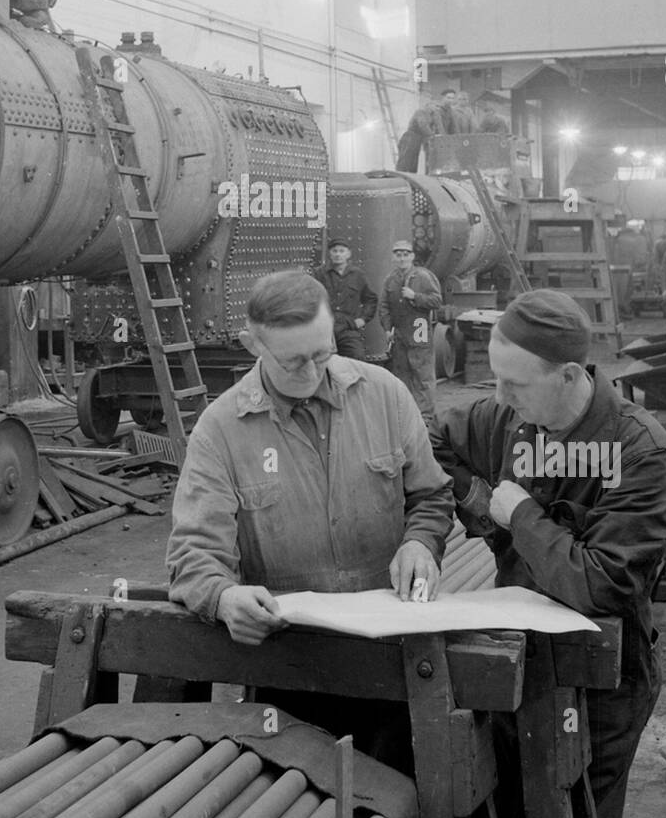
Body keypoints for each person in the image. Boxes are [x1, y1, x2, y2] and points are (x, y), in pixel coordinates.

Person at [166, 271, 453, 766]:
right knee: (293, 802)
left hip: (393, 658)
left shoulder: (385, 395)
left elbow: (431, 496)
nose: (312, 371)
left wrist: (421, 543)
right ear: (252, 343)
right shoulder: (220, 431)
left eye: (321, 354)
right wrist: (223, 596)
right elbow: (193, 553)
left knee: (397, 798)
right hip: (289, 670)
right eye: (293, 361)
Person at [431, 289, 666, 818]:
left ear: (568, 376)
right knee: (514, 811)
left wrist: (519, 514)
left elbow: (601, 584)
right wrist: (477, 502)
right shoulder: (505, 418)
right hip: (516, 661)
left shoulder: (639, 454)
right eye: (496, 379)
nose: (499, 395)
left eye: (515, 384)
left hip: (601, 682)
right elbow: (431, 439)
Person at [378, 240, 443, 426]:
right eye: (398, 254)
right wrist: (387, 328)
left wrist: (415, 296)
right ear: (393, 257)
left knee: (422, 376)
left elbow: (437, 301)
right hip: (399, 335)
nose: (402, 258)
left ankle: (426, 418)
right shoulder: (390, 280)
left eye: (405, 254)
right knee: (402, 376)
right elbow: (384, 307)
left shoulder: (423, 276)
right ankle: (406, 415)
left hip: (419, 333)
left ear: (412, 256)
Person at [311, 240, 377, 360]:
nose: (338, 254)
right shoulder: (319, 274)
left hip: (348, 329)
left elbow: (370, 300)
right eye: (334, 251)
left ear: (348, 254)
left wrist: (362, 319)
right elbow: (310, 298)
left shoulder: (358, 275)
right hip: (325, 328)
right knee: (321, 362)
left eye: (342, 251)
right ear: (329, 254)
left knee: (358, 359)